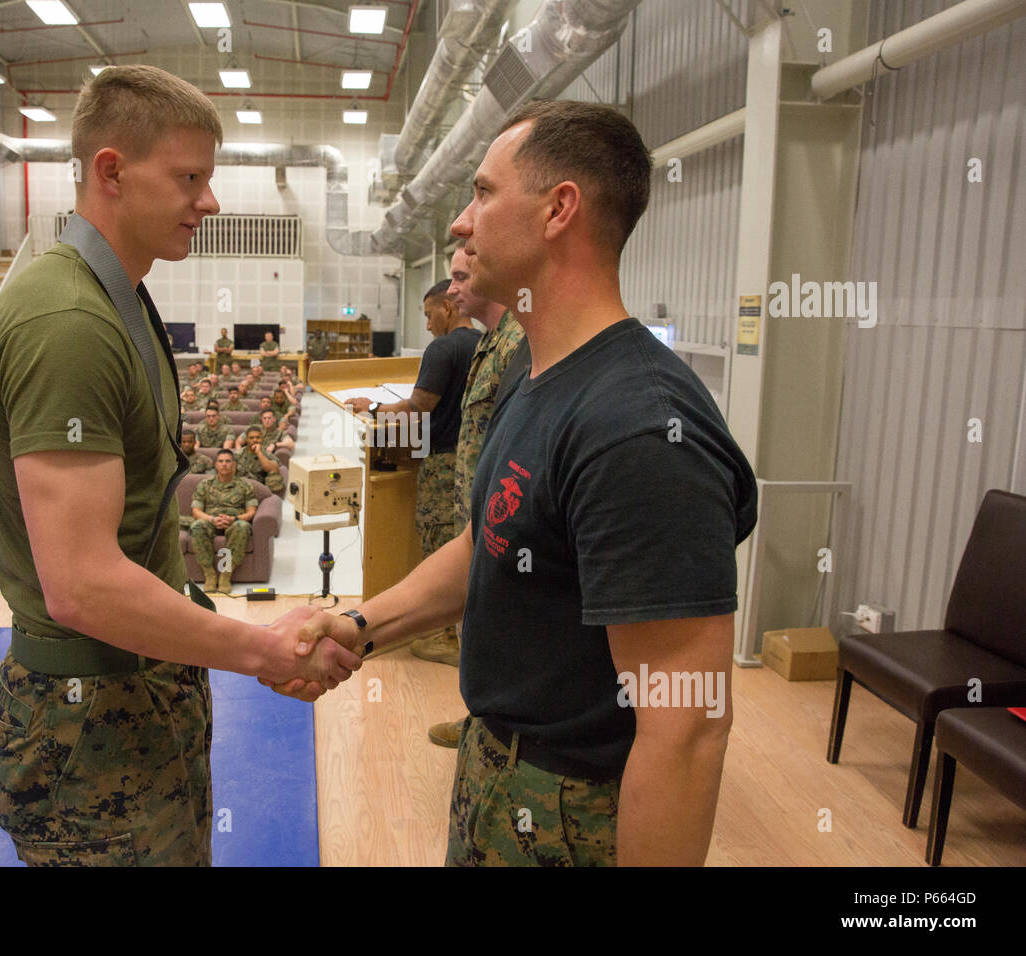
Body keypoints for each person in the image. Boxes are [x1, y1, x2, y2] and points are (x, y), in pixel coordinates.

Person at [308, 100, 757, 867]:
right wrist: (358, 626)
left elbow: (685, 730)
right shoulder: (534, 370)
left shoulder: (637, 428)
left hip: (572, 811)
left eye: (483, 192)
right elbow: (488, 540)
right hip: (496, 772)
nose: (459, 222)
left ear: (559, 210)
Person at [0, 65, 361, 867]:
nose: (209, 203)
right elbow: (79, 584)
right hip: (87, 723)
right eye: (190, 178)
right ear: (111, 171)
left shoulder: (121, 300)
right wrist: (258, 650)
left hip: (135, 692)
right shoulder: (68, 321)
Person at [424, 245, 526, 745]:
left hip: (499, 515)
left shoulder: (516, 345)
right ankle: (479, 717)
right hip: (474, 509)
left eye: (461, 277)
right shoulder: (489, 342)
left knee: (494, 624)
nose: (453, 289)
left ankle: (493, 725)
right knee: (476, 621)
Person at [345, 279, 479, 582]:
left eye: (429, 315)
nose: (429, 325)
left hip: (444, 465)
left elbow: (416, 407)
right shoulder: (485, 342)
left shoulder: (442, 348)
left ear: (447, 307)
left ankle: (443, 629)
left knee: (439, 548)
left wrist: (374, 407)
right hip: (477, 460)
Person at [189, 449, 257, 594]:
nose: (224, 464)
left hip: (234, 521)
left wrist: (234, 519)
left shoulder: (244, 485)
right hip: (210, 520)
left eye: (228, 461)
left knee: (242, 527)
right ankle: (210, 575)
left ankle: (226, 575)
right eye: (220, 461)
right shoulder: (205, 484)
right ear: (215, 465)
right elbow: (196, 511)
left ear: (234, 465)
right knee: (197, 526)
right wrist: (212, 519)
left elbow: (251, 512)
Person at [234, 424, 284, 495]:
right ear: (246, 439)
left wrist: (259, 453)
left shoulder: (268, 455)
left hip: (258, 489)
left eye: (258, 437)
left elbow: (274, 469)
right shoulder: (237, 454)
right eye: (251, 438)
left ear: (262, 439)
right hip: (239, 488)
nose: (255, 440)